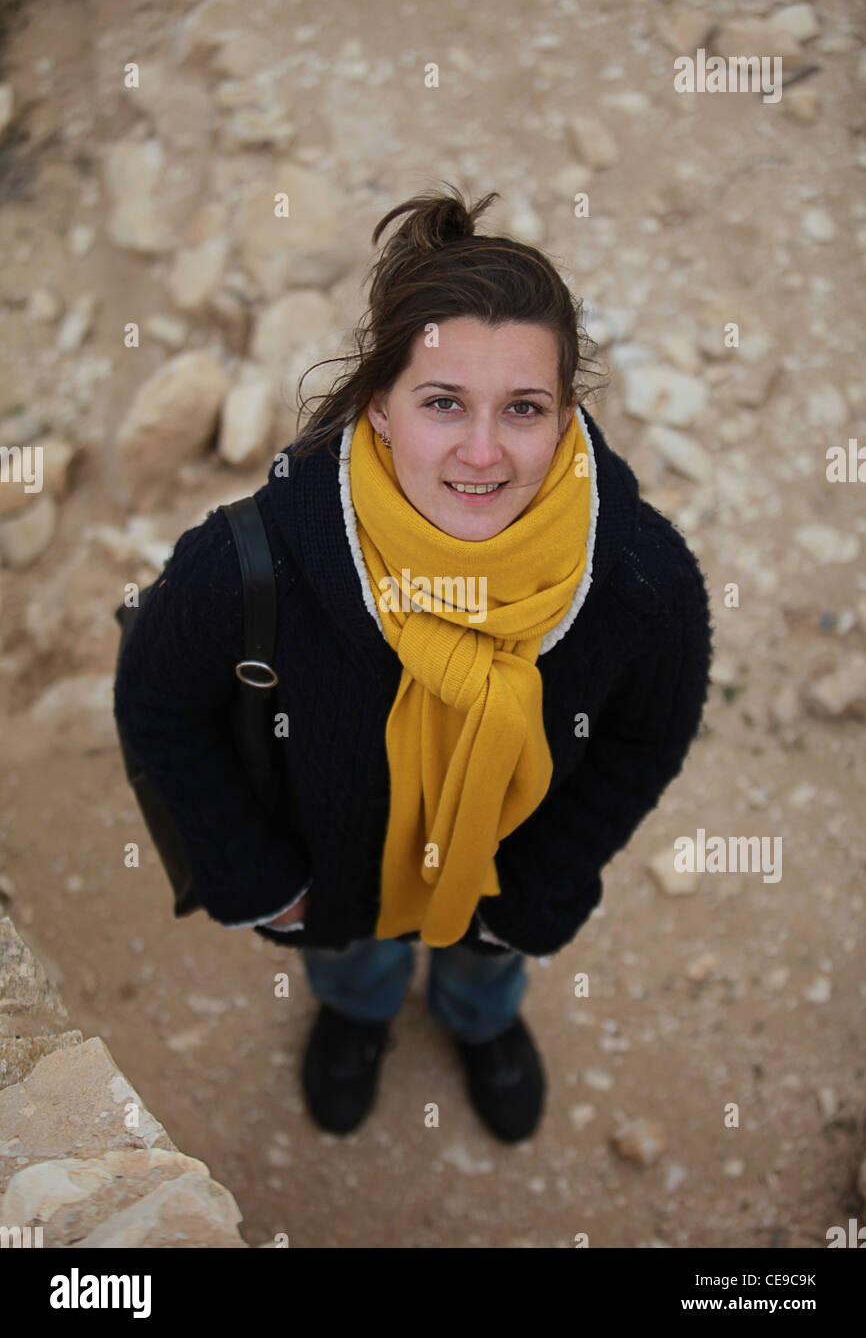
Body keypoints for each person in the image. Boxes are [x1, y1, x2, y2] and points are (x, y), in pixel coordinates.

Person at [113, 183, 713, 1146]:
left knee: (485, 962)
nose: (483, 452)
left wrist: (545, 884)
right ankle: (358, 1015)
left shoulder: (643, 581)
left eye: (523, 407)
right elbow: (156, 703)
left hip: (499, 888)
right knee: (352, 963)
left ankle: (478, 1019)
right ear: (379, 409)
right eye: (443, 403)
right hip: (333, 882)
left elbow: (648, 737)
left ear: (566, 417)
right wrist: (262, 878)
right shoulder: (248, 562)